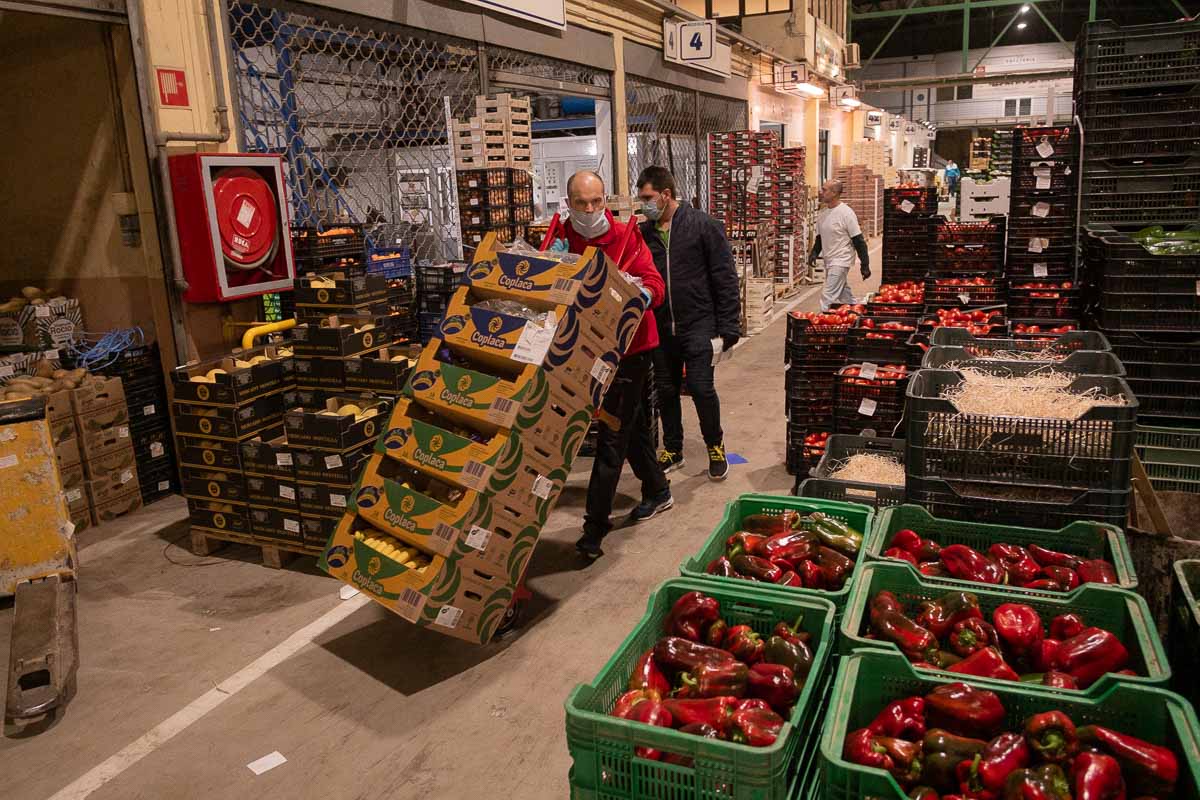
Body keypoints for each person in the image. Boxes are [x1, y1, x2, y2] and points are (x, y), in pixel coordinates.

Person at [563, 170, 672, 560]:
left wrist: (634, 292)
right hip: (583, 350)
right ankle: (658, 490)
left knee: (611, 434)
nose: (590, 210)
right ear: (569, 203)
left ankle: (594, 529)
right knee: (632, 424)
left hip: (629, 352)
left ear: (605, 200)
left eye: (596, 202)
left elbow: (656, 287)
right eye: (581, 203)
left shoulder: (627, 237)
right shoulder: (563, 238)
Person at [635, 166, 740, 482]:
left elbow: (724, 276)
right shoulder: (645, 233)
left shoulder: (702, 226)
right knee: (665, 390)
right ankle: (673, 448)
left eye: (648, 198)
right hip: (661, 325)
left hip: (699, 322)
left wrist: (729, 326)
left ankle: (715, 446)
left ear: (665, 195)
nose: (644, 205)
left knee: (700, 387)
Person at [809, 179, 871, 311]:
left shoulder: (846, 213)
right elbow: (820, 237)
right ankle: (859, 311)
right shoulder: (822, 214)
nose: (821, 192)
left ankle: (821, 324)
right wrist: (814, 253)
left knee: (828, 295)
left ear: (834, 193)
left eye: (824, 190)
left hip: (841, 260)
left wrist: (865, 264)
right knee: (844, 295)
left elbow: (859, 240)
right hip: (829, 259)